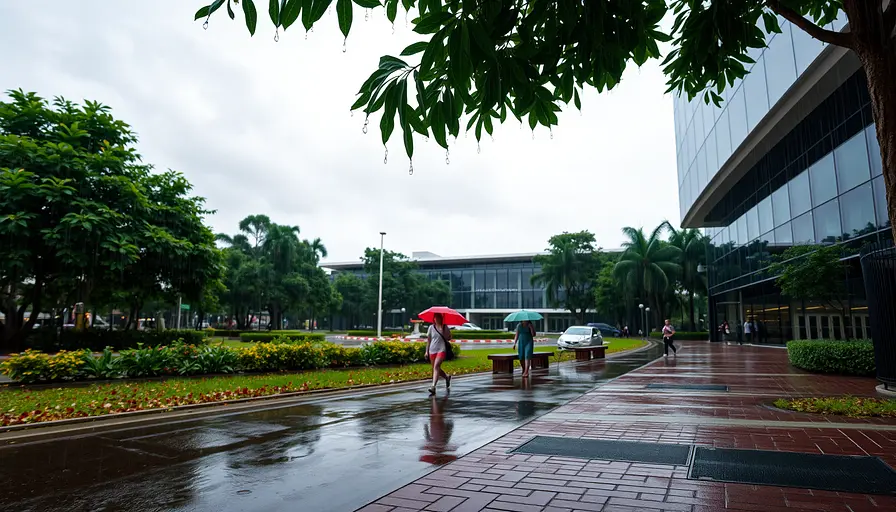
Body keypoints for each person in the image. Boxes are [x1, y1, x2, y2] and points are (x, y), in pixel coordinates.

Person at [425, 313, 452, 395]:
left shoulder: (444, 327)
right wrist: (426, 351)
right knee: (436, 368)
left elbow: (449, 337)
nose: (437, 319)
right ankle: (446, 377)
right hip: (432, 350)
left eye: (438, 318)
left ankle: (433, 386)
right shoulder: (431, 327)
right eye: (435, 318)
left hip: (441, 350)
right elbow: (429, 340)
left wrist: (445, 332)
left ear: (441, 318)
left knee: (436, 366)